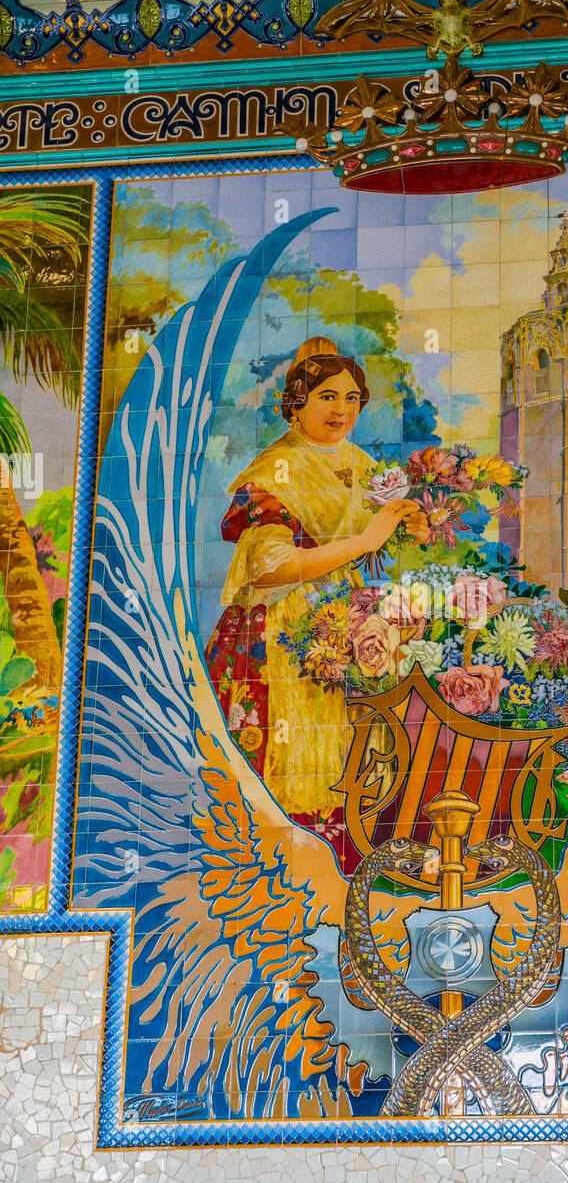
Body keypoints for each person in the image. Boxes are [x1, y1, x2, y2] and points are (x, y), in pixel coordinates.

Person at [205, 337, 426, 828]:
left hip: (346, 624)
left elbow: (375, 540)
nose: (341, 410)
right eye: (327, 396)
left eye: (352, 398)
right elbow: (270, 568)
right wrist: (366, 540)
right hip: (278, 629)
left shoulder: (363, 465)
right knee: (291, 767)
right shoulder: (276, 468)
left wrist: (409, 526)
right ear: (297, 403)